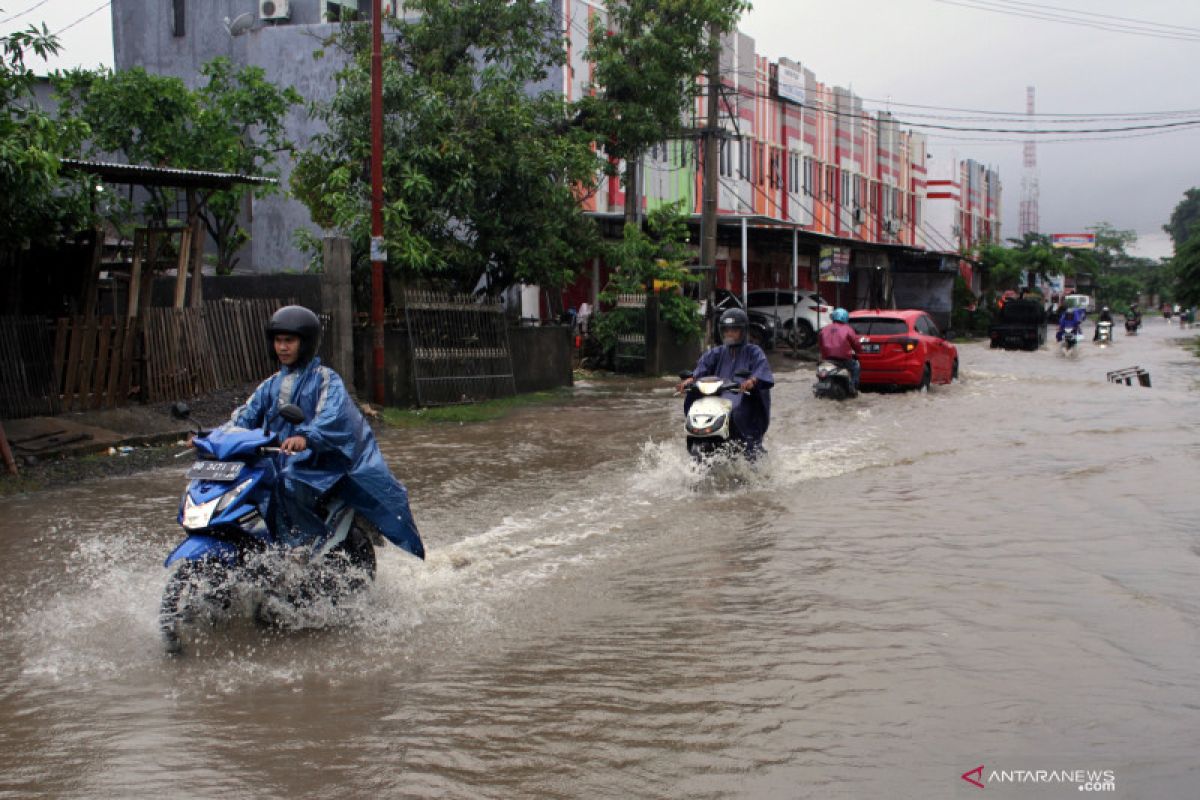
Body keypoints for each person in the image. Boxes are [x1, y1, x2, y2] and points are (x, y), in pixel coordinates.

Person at [222, 305, 425, 558]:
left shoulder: (325, 379)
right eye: (278, 341)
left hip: (318, 462)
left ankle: (301, 543)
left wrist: (306, 437)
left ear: (305, 343)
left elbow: (332, 416)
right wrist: (210, 438)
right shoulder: (270, 385)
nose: (282, 347)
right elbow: (243, 417)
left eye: (289, 341)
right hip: (278, 457)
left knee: (288, 480)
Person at [676, 308, 775, 456]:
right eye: (727, 330)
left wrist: (752, 381)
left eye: (734, 330)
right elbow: (702, 368)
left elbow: (761, 370)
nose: (730, 334)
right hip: (718, 400)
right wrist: (691, 379)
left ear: (743, 331)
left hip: (744, 400)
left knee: (740, 417)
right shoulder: (716, 352)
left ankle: (749, 450)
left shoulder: (754, 352)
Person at [817, 307, 863, 392]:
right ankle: (853, 387)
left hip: (826, 360)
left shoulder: (824, 329)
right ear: (845, 317)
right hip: (843, 360)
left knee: (820, 370)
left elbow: (820, 344)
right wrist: (859, 351)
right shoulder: (848, 329)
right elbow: (856, 343)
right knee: (856, 366)